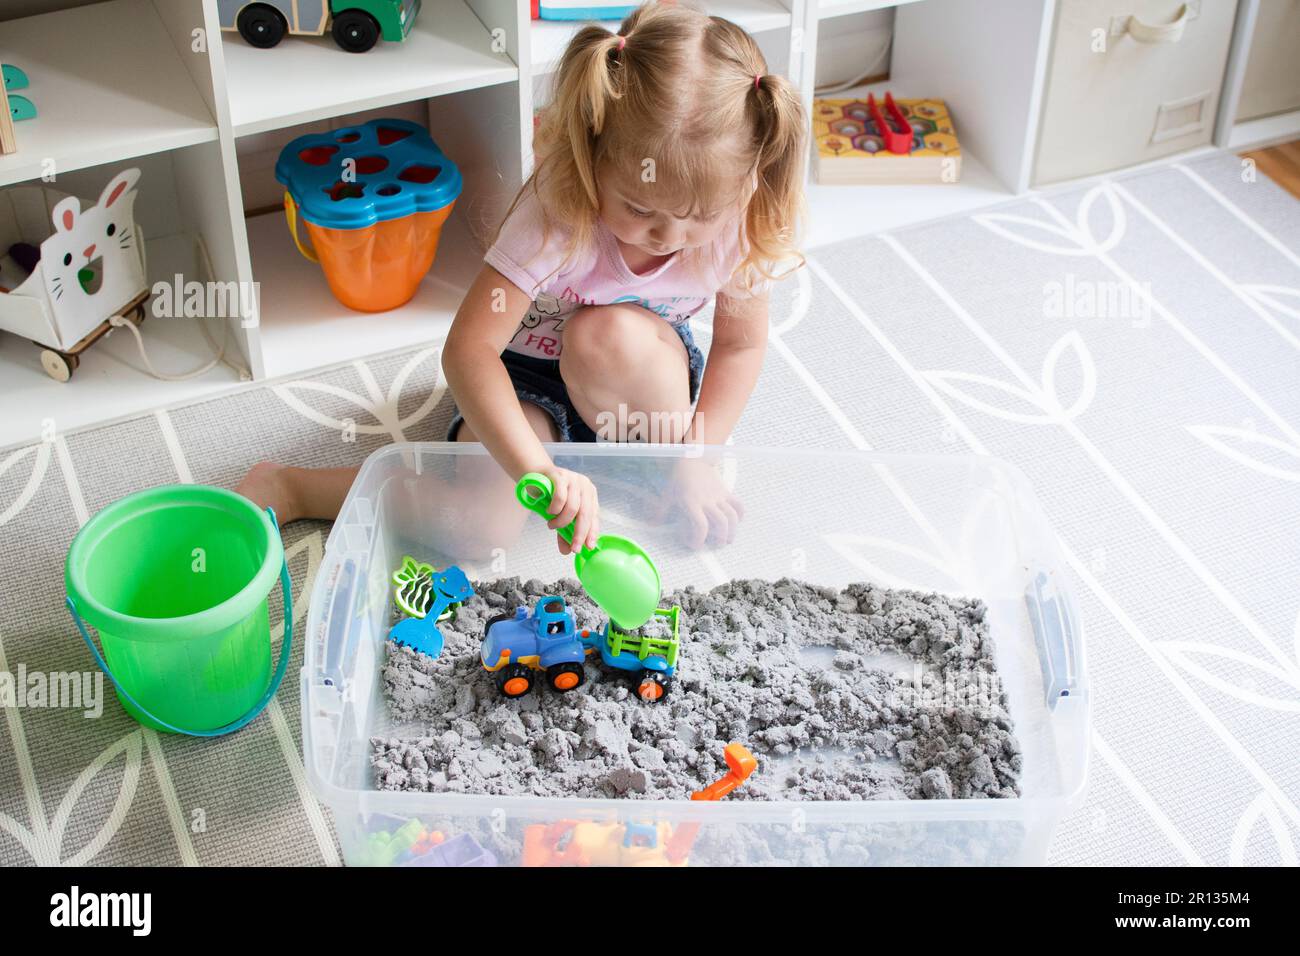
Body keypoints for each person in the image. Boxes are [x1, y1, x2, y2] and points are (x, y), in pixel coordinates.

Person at [237, 1, 806, 554]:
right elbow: (469, 352)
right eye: (639, 208)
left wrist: (695, 458)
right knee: (479, 529)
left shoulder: (741, 218)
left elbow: (741, 343)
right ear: (592, 153)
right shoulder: (558, 215)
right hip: (524, 383)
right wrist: (537, 471)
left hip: (634, 375)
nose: (669, 237)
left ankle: (652, 463)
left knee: (607, 337)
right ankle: (294, 487)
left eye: (700, 217)